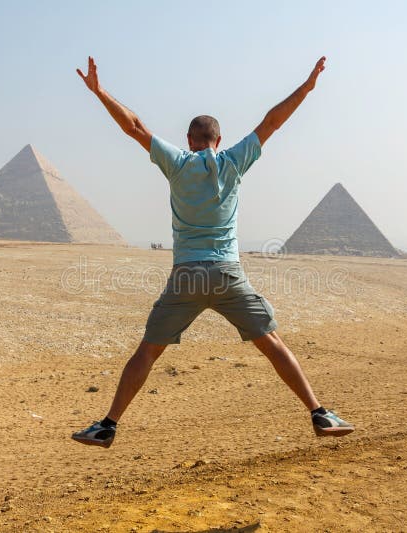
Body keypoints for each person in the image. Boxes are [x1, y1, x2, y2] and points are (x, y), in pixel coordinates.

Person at [71, 56, 354, 448]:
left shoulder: (176, 163)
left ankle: (108, 425)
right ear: (219, 141)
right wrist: (306, 89)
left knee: (148, 352)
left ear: (189, 141)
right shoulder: (233, 162)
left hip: (186, 274)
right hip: (227, 273)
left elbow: (134, 127)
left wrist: (99, 92)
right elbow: (272, 122)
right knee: (271, 343)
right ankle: (319, 413)